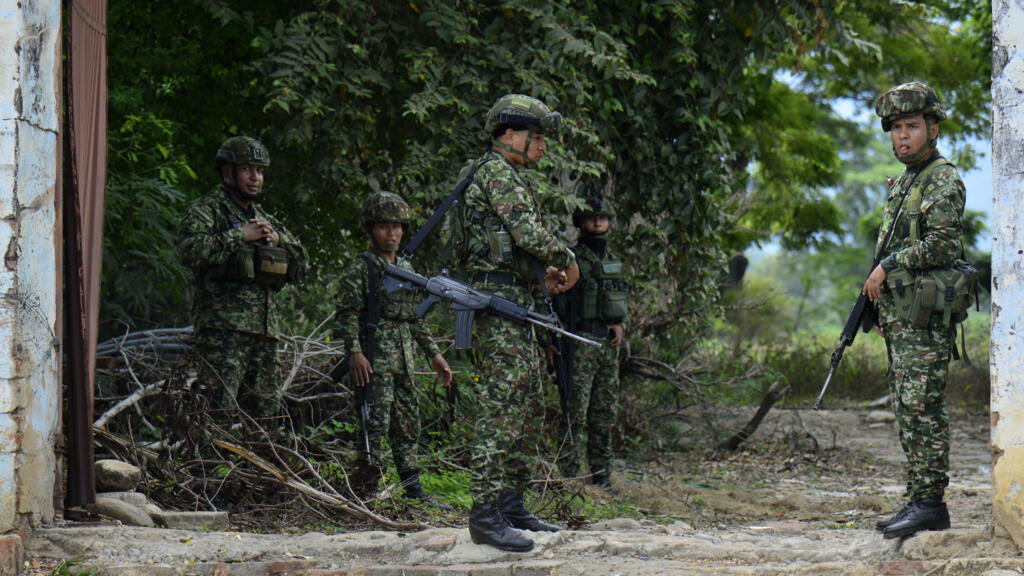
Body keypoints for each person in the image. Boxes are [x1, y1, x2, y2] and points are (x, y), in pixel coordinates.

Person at [444, 93, 580, 552]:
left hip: (514, 296)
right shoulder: (495, 172)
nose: (543, 147)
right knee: (501, 406)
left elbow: (511, 243)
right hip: (496, 299)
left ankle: (509, 503)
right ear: (508, 135)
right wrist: (567, 258)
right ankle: (484, 516)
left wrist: (542, 271)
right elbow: (527, 233)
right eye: (536, 137)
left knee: (525, 402)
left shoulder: (505, 175)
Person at [862, 82, 966, 539]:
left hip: (925, 319)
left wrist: (888, 266)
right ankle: (919, 497)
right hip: (905, 315)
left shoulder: (942, 178)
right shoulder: (907, 179)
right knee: (908, 407)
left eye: (912, 127)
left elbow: (941, 245)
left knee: (922, 407)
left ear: (933, 129)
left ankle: (930, 504)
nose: (902, 137)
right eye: (896, 129)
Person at [333, 191, 453, 506]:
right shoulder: (362, 268)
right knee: (374, 424)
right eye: (385, 226)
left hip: (404, 361)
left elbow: (415, 317)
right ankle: (366, 492)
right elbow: (346, 315)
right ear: (371, 229)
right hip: (374, 361)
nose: (393, 233)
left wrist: (435, 355)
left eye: (398, 226)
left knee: (408, 422)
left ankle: (413, 490)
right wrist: (354, 353)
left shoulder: (406, 267)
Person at [179, 136, 307, 420]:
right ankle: (208, 466)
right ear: (227, 172)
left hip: (264, 334)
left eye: (260, 171)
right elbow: (190, 251)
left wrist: (279, 240)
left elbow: (301, 266)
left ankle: (256, 466)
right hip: (224, 334)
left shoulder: (265, 219)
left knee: (265, 418)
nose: (255, 178)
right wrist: (240, 235)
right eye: (247, 169)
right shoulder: (207, 211)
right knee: (215, 414)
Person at [553, 179, 629, 495]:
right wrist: (552, 344)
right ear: (582, 222)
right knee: (575, 412)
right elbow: (556, 304)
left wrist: (620, 325)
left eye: (603, 218)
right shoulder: (570, 258)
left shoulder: (615, 259)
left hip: (606, 347)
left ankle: (602, 478)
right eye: (592, 218)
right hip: (577, 343)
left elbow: (620, 297)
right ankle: (570, 478)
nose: (598, 223)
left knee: (603, 415)